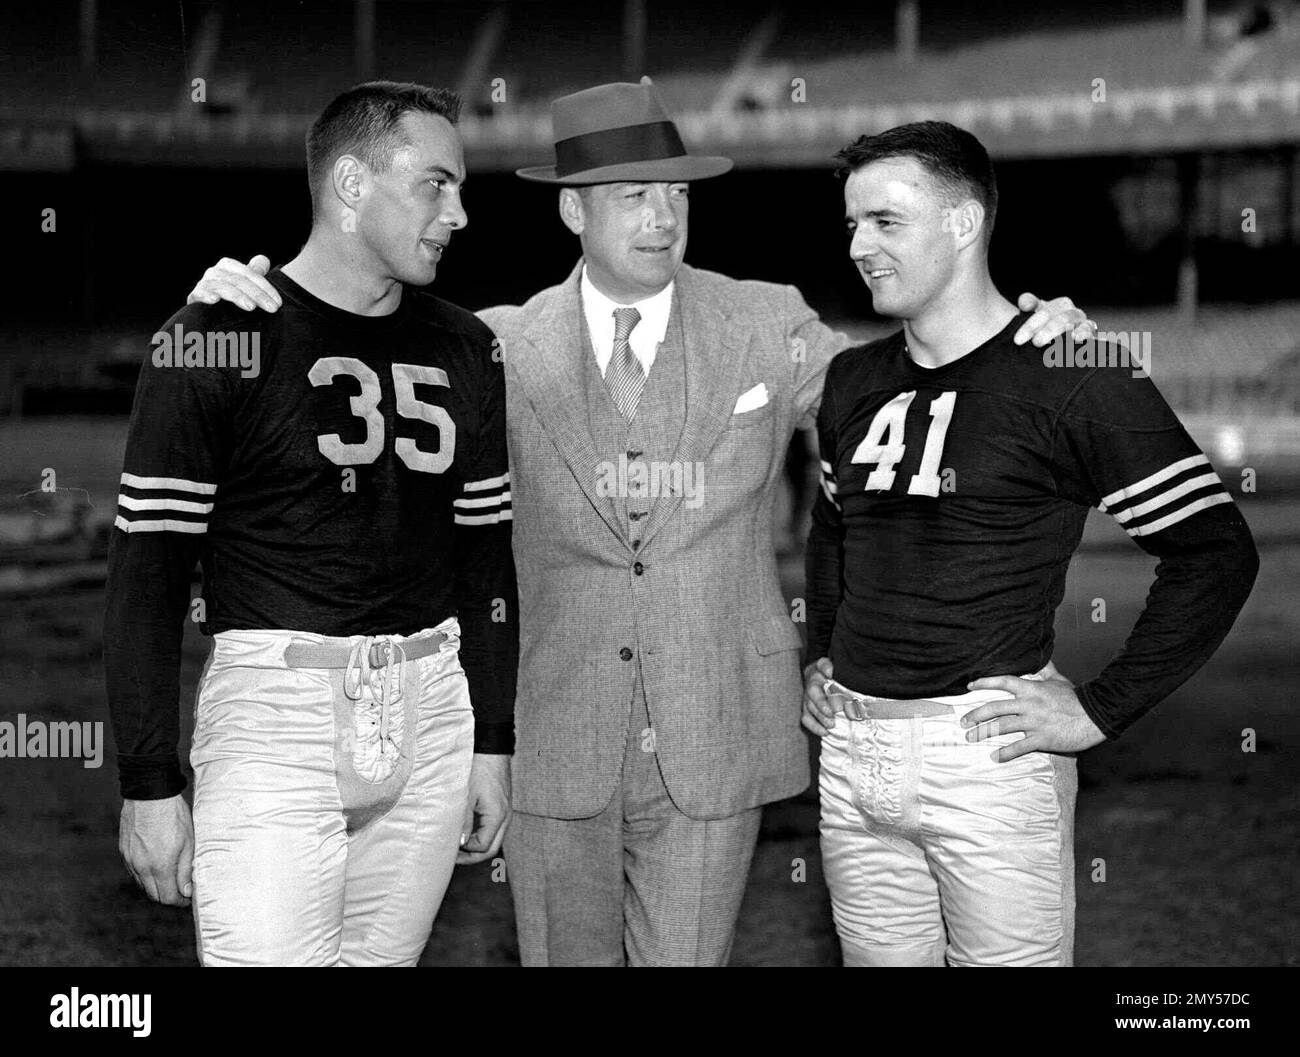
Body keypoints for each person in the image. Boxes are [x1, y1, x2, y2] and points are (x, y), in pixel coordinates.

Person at [184, 79, 1091, 966]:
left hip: (716, 731)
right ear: (573, 213)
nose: (663, 217)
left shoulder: (767, 321)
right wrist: (246, 296)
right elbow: (348, 350)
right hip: (547, 738)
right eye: (633, 197)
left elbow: (916, 379)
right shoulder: (489, 343)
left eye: (676, 194)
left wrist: (1020, 332)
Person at [801, 121, 1259, 967]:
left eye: (886, 222)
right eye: (852, 224)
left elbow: (1216, 551)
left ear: (965, 223)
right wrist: (822, 655)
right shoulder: (851, 380)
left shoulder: (1075, 370)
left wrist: (1097, 707)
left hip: (987, 756)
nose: (860, 245)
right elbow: (836, 530)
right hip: (853, 757)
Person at [104, 81, 518, 966]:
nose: (459, 213)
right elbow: (147, 580)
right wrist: (148, 781)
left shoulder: (466, 345)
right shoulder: (217, 334)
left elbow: (486, 563)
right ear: (351, 184)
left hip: (433, 700)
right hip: (274, 714)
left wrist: (491, 740)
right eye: (435, 184)